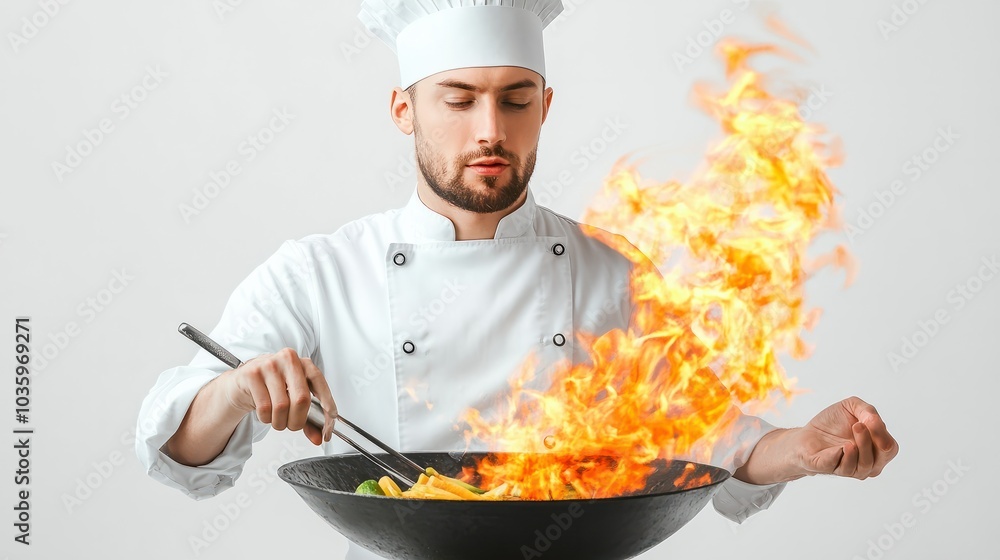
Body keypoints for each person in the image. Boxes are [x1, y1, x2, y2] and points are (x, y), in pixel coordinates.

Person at [136, 1, 898, 558]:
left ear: (546, 107)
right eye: (458, 99)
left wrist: (802, 446)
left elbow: (712, 440)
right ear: (404, 109)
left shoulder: (612, 270)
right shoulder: (318, 272)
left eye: (515, 99)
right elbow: (178, 450)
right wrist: (236, 389)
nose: (489, 129)